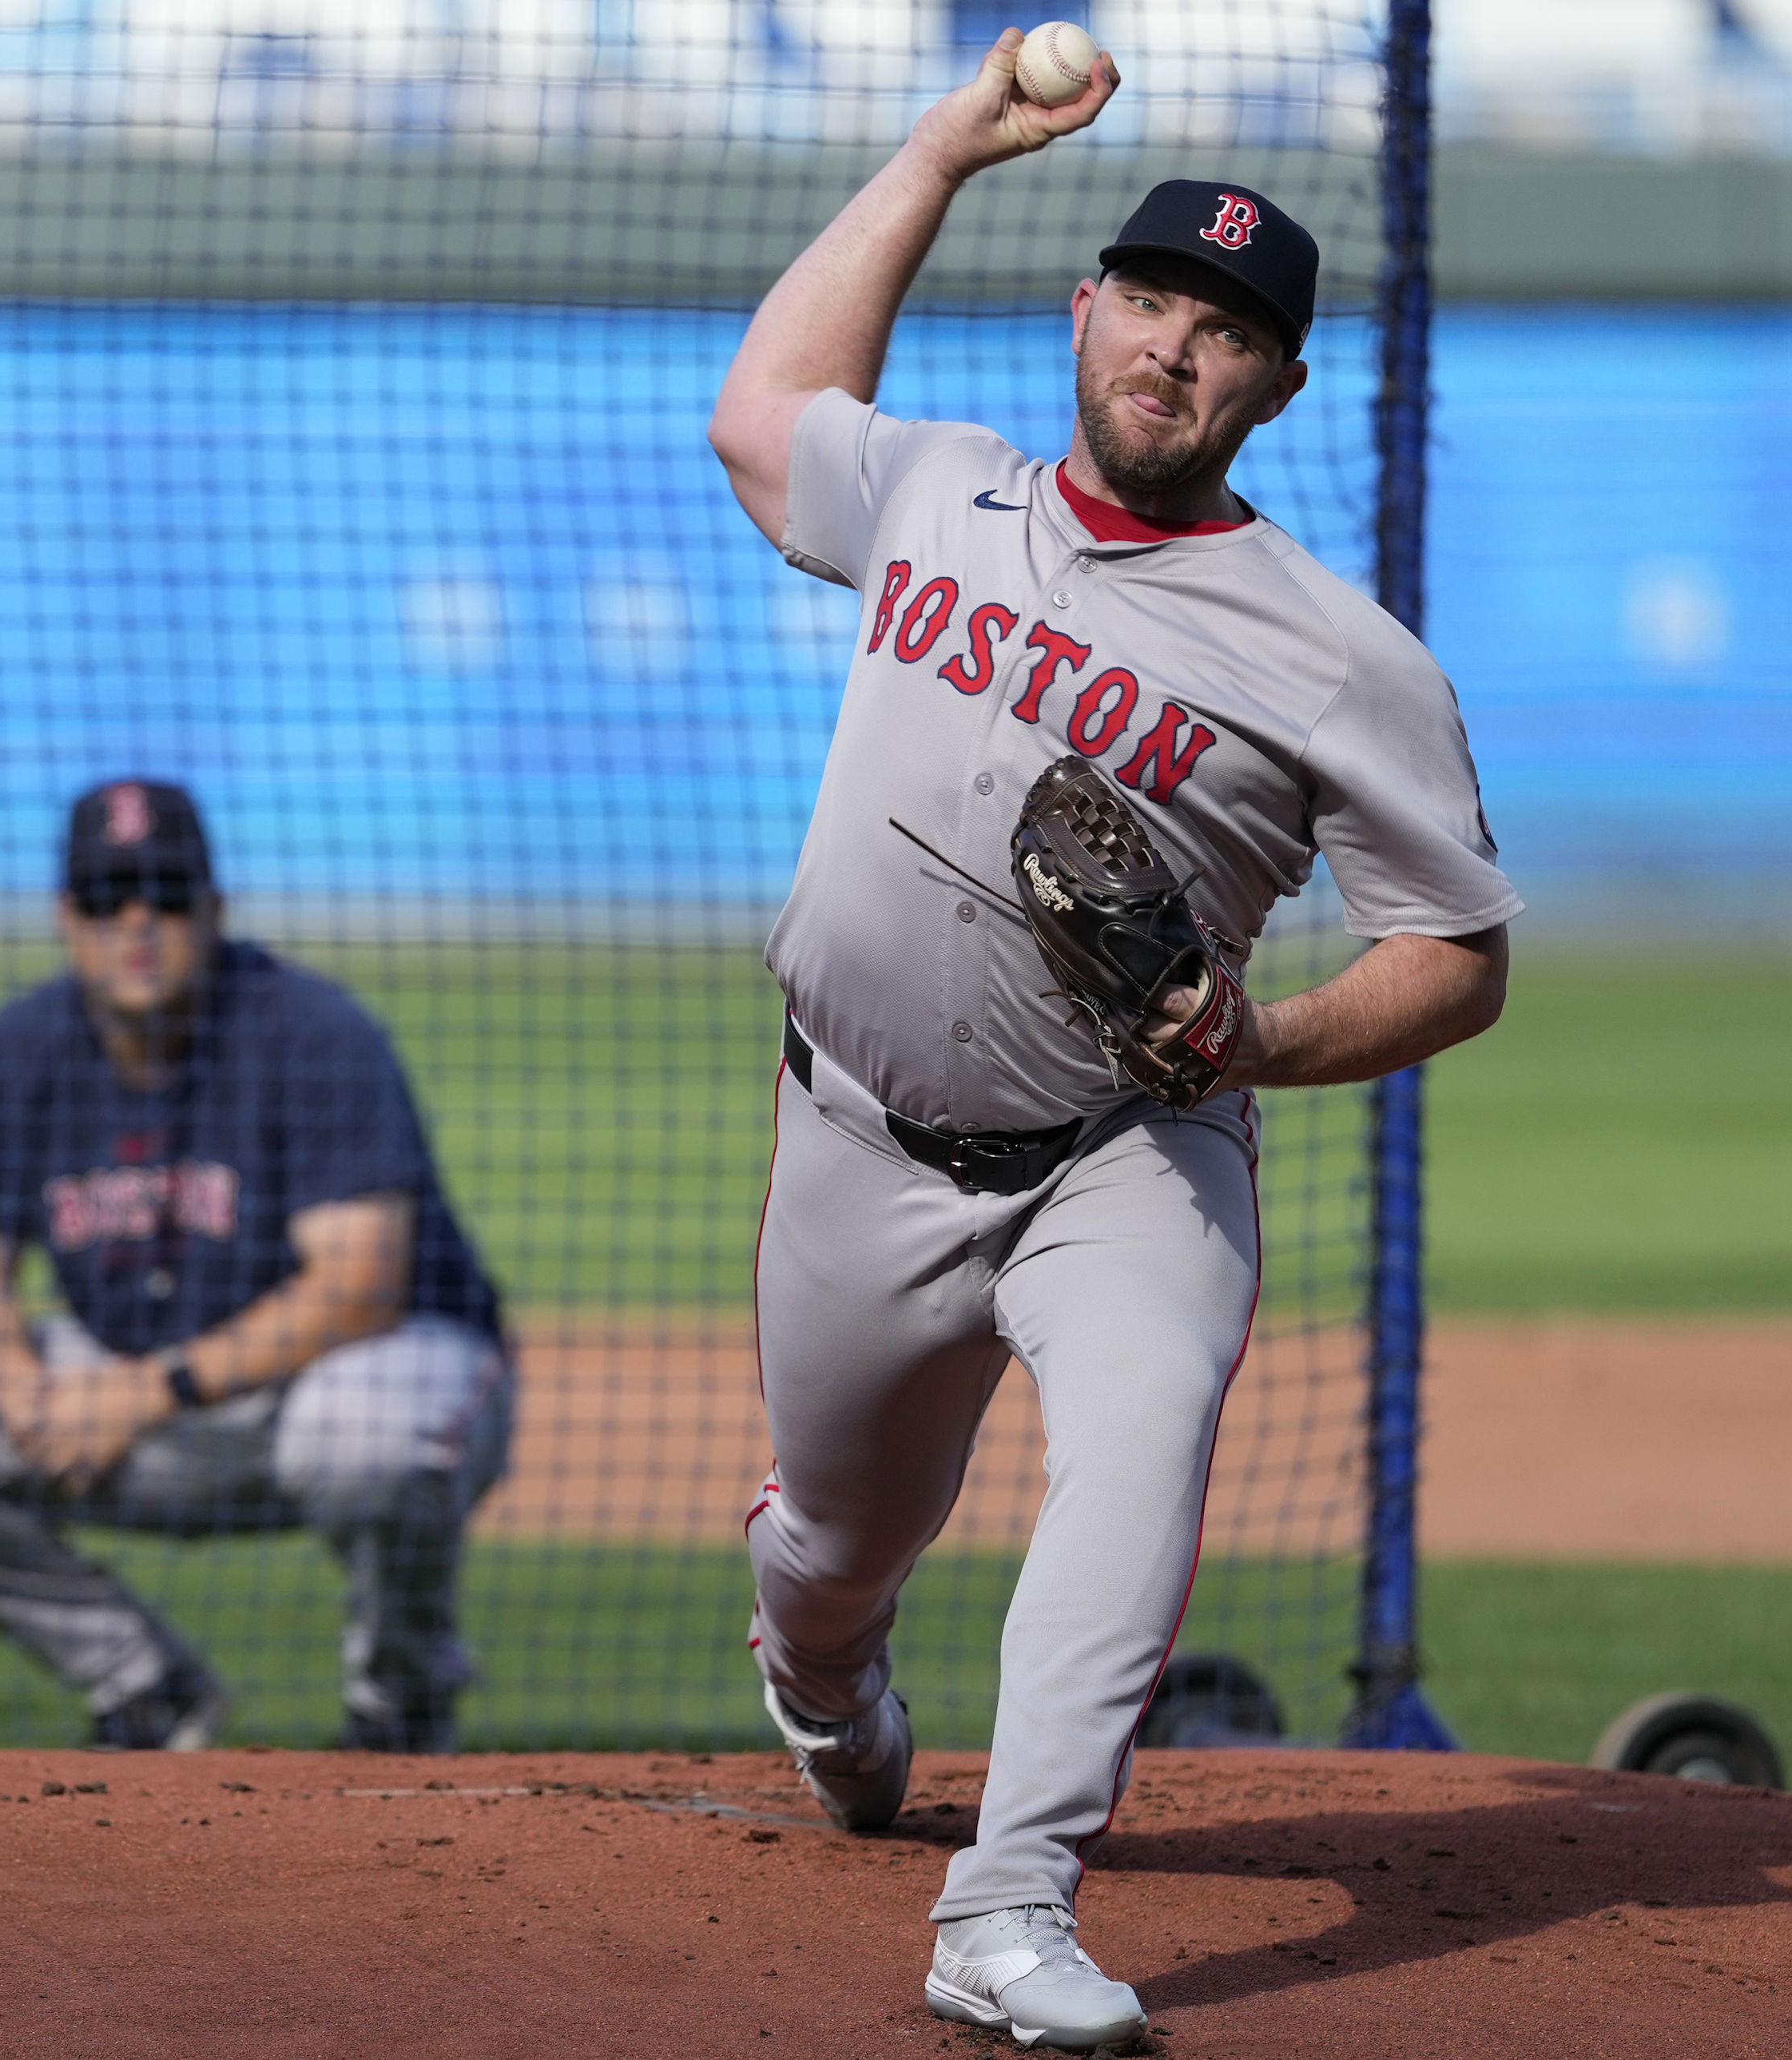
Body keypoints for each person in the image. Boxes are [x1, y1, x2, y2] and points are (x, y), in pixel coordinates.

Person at [702, 32, 1516, 2049]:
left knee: (1142, 1428)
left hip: (1121, 1152)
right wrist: (945, 145)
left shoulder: (1346, 661)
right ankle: (827, 1687)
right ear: (1085, 315)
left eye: (1224, 330)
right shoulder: (932, 485)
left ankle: (1007, 1905)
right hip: (855, 1141)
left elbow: (1456, 951)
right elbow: (758, 414)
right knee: (824, 1556)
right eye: (1147, 300)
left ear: (1276, 388)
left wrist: (1262, 1040)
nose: (1172, 349)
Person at [0, 779, 512, 1753]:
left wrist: (146, 1392)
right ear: (67, 920)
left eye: (165, 894)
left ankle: (398, 1697)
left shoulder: (313, 1034)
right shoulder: (22, 1050)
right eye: (109, 900)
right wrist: (26, 1394)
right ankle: (145, 1686)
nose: (137, 924)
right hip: (137, 1398)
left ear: (215, 908)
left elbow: (358, 1284)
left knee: (367, 1434)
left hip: (339, 1380)